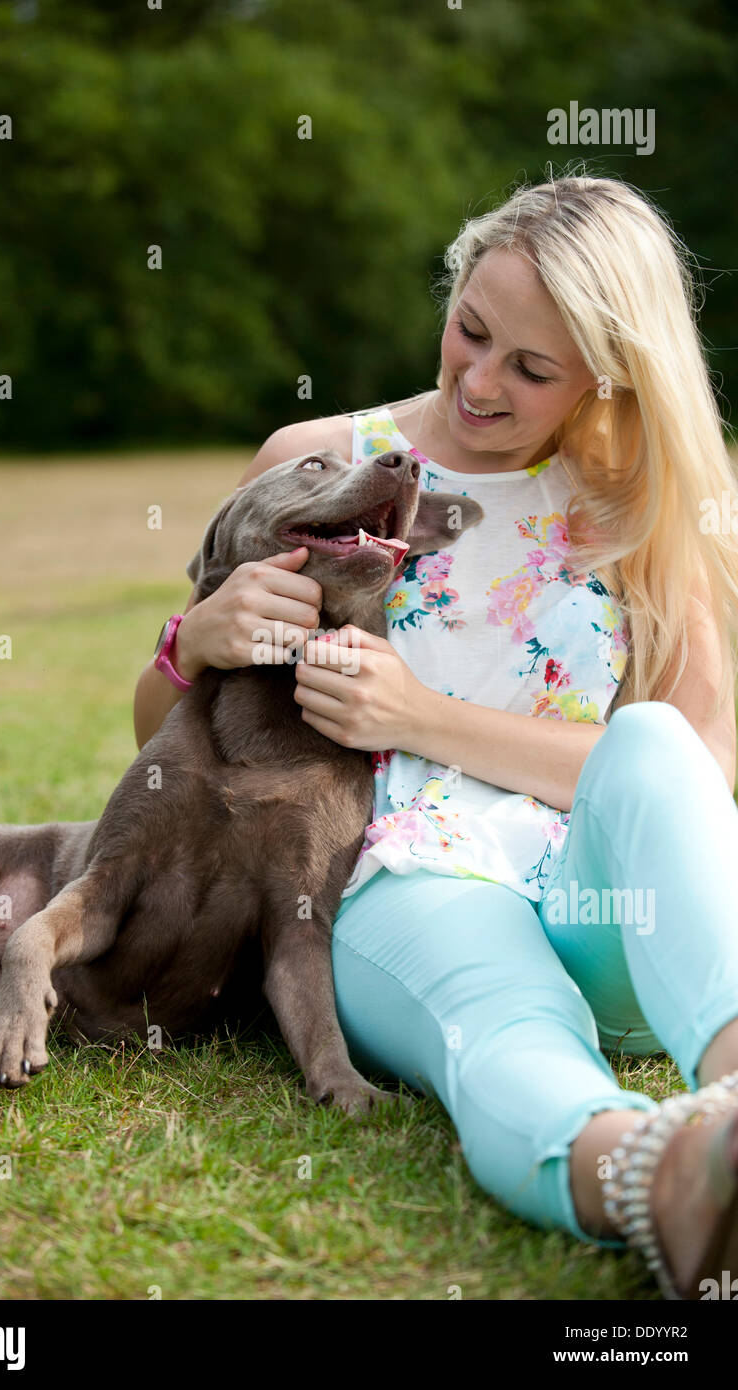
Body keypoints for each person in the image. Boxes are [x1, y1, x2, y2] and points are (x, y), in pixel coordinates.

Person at [134, 174, 738, 1300]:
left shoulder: (641, 503)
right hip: (396, 872)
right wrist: (199, 642)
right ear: (456, 292)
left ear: (605, 374)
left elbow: (697, 772)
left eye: (531, 367)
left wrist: (421, 717)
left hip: (601, 902)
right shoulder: (318, 461)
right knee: (500, 1019)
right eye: (472, 330)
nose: (478, 378)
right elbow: (170, 752)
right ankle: (667, 1178)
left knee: (652, 738)